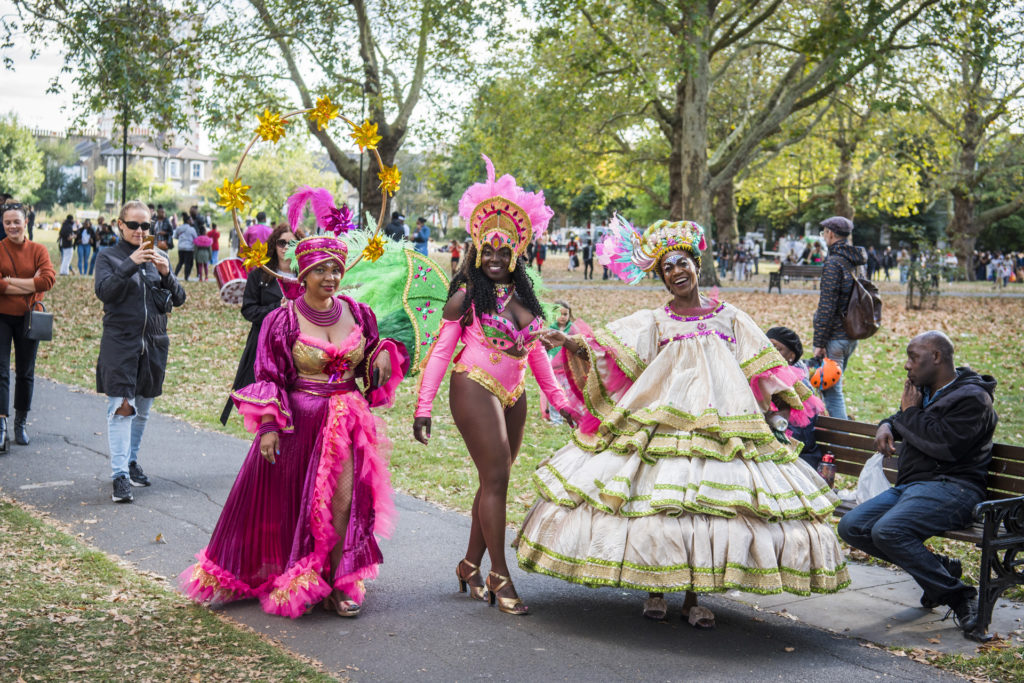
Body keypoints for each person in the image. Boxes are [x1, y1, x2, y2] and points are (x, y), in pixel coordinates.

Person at [519, 216, 847, 626]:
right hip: (661, 420)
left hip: (721, 424)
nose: (676, 272)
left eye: (682, 263)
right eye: (667, 267)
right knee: (658, 504)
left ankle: (694, 597)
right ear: (662, 277)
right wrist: (569, 340)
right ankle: (655, 589)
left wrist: (781, 400)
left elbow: (763, 363)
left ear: (696, 266)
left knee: (706, 507)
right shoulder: (655, 321)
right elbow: (609, 349)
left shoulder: (730, 317)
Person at [182, 189, 409, 618]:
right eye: (320, 269)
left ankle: (338, 582)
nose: (330, 277)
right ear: (302, 274)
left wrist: (381, 356)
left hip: (347, 422)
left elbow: (369, 361)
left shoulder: (359, 314)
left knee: (343, 501)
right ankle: (300, 572)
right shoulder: (282, 319)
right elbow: (268, 375)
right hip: (298, 425)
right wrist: (268, 426)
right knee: (292, 505)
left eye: (335, 269)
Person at [414, 156, 576, 616]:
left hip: (514, 393)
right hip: (473, 384)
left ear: (517, 254)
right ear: (476, 252)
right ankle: (499, 575)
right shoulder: (465, 297)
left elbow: (537, 353)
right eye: (488, 252)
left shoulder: (525, 298)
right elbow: (441, 353)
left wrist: (559, 400)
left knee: (494, 480)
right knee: (498, 478)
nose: (495, 260)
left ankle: (469, 564)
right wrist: (423, 406)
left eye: (504, 253)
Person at [838, 331, 996, 636]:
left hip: (955, 488)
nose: (907, 365)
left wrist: (909, 412)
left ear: (936, 357)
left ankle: (960, 597)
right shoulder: (924, 391)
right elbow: (902, 420)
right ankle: (941, 570)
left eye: (913, 357)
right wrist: (887, 425)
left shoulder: (973, 399)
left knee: (888, 530)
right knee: (852, 526)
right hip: (913, 487)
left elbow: (944, 445)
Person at [94, 200, 187, 503]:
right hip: (120, 343)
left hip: (155, 344)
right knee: (122, 409)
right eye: (133, 225)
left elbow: (179, 298)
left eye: (146, 225)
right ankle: (119, 475)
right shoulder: (108, 257)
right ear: (120, 225)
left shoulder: (159, 257)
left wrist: (166, 273)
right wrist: (130, 263)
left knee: (143, 411)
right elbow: (105, 292)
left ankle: (131, 462)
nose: (140, 230)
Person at [219, 223, 300, 425]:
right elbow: (249, 310)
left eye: (292, 243)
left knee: (295, 403)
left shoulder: (307, 277)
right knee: (266, 406)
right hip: (265, 347)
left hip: (298, 348)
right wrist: (276, 307)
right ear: (274, 244)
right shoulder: (259, 275)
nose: (286, 247)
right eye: (281, 243)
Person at [0, 202, 55, 449]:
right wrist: (30, 283)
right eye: (7, 222)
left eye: (16, 221)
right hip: (1, 316)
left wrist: (10, 282)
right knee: (1, 371)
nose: (12, 226)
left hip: (29, 318)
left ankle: (20, 423)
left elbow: (47, 281)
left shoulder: (38, 250)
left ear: (26, 222)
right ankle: (1, 424)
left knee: (25, 372)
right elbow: (36, 283)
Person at [812, 216, 866, 420]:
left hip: (835, 337)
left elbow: (827, 306)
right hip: (851, 334)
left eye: (824, 232)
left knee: (832, 393)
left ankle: (841, 436)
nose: (824, 236)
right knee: (832, 387)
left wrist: (819, 343)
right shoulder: (856, 262)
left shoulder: (834, 263)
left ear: (831, 234)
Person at [765, 326, 825, 469]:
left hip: (798, 458)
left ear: (791, 356)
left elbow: (801, 435)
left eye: (777, 348)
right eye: (767, 347)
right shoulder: (761, 378)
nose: (771, 352)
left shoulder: (799, 384)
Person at [174, 215, 197, 281]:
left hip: (181, 248)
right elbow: (195, 238)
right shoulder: (192, 229)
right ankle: (186, 277)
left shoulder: (179, 228)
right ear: (188, 221)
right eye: (191, 220)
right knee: (188, 263)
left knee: (180, 262)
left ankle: (175, 275)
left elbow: (175, 236)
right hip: (189, 248)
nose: (192, 221)